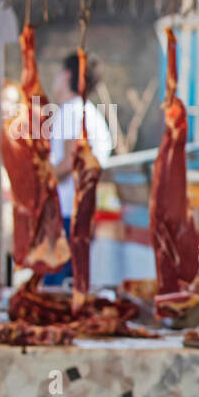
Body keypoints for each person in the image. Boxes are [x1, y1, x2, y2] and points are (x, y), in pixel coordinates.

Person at [43, 53, 113, 286]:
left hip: (67, 215)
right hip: (79, 212)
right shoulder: (87, 111)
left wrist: (38, 186)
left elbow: (71, 161)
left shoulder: (74, 112)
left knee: (57, 294)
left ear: (66, 76)